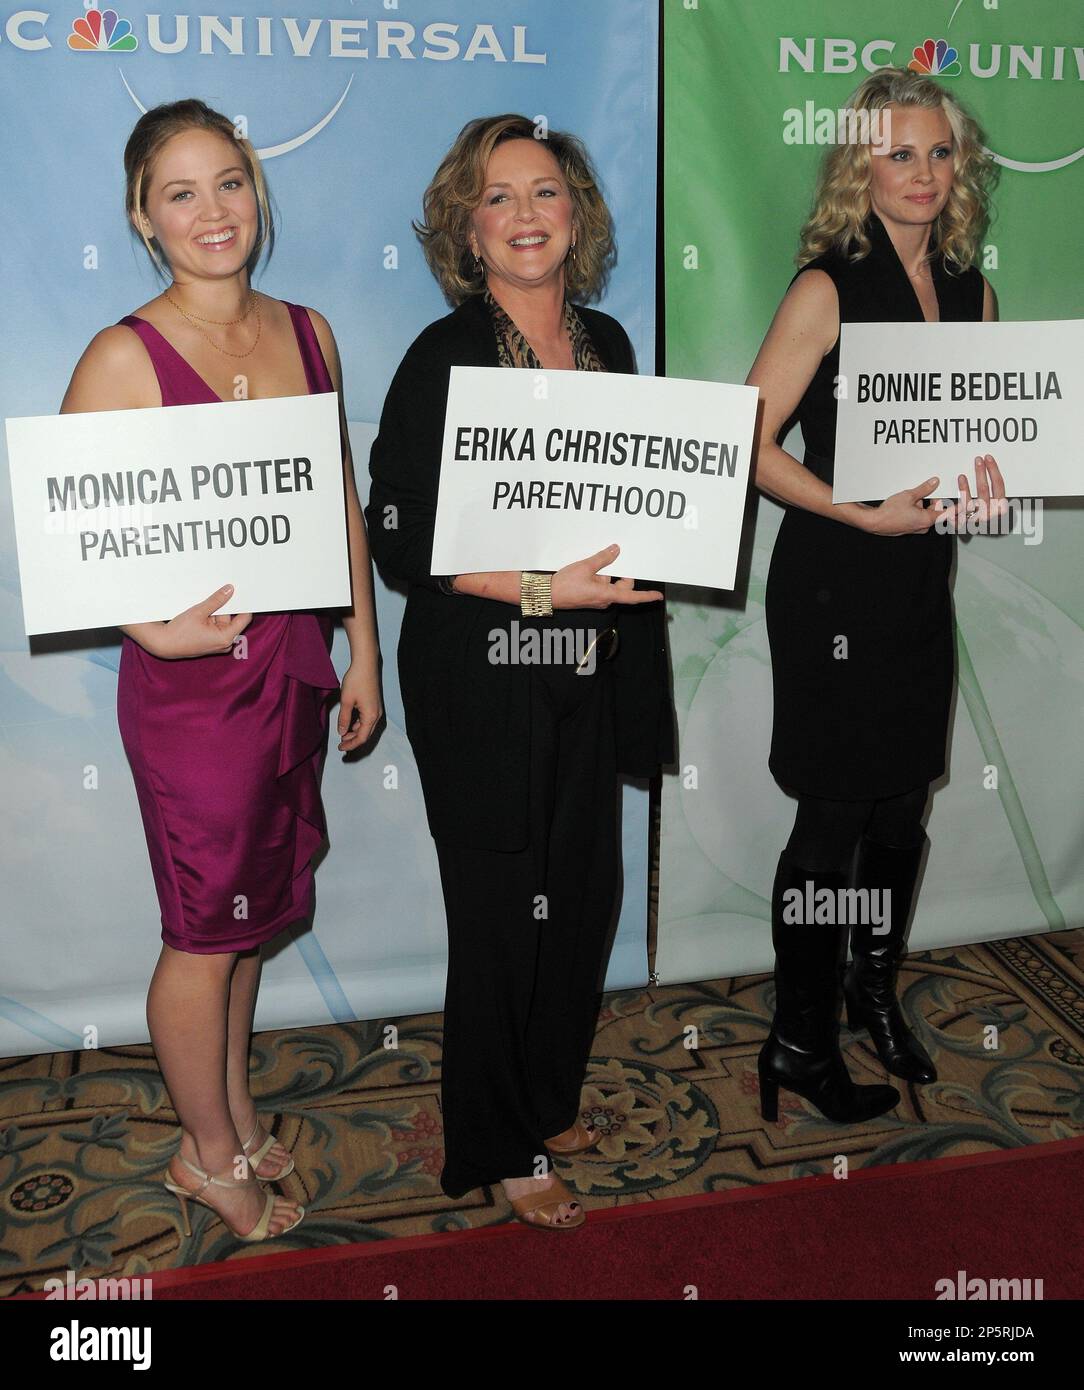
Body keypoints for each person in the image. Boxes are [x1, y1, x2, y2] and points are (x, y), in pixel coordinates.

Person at [60, 99, 382, 1242]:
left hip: (293, 669)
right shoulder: (122, 354)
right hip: (194, 698)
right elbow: (71, 535)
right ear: (144, 218)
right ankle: (205, 1157)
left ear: (258, 190)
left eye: (231, 181)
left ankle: (235, 1110)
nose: (213, 210)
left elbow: (335, 495)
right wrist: (151, 632)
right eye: (181, 191)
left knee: (253, 916)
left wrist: (364, 648)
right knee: (204, 932)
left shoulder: (310, 331)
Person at [365, 114, 674, 1230]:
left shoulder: (611, 344)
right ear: (466, 227)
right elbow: (398, 535)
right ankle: (497, 1142)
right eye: (498, 198)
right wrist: (544, 591)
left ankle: (546, 1095)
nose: (526, 214)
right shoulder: (440, 356)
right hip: (482, 671)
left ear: (578, 213)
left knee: (582, 892)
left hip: (590, 664)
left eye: (545, 191)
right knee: (500, 912)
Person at [746, 69, 1005, 1123]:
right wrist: (855, 511)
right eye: (899, 153)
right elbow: (747, 449)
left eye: (939, 152)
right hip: (833, 581)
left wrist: (990, 484)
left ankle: (870, 989)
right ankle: (799, 1038)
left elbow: (981, 446)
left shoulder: (972, 288)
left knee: (903, 804)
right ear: (860, 164)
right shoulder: (826, 286)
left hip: (916, 583)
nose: (924, 173)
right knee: (833, 813)